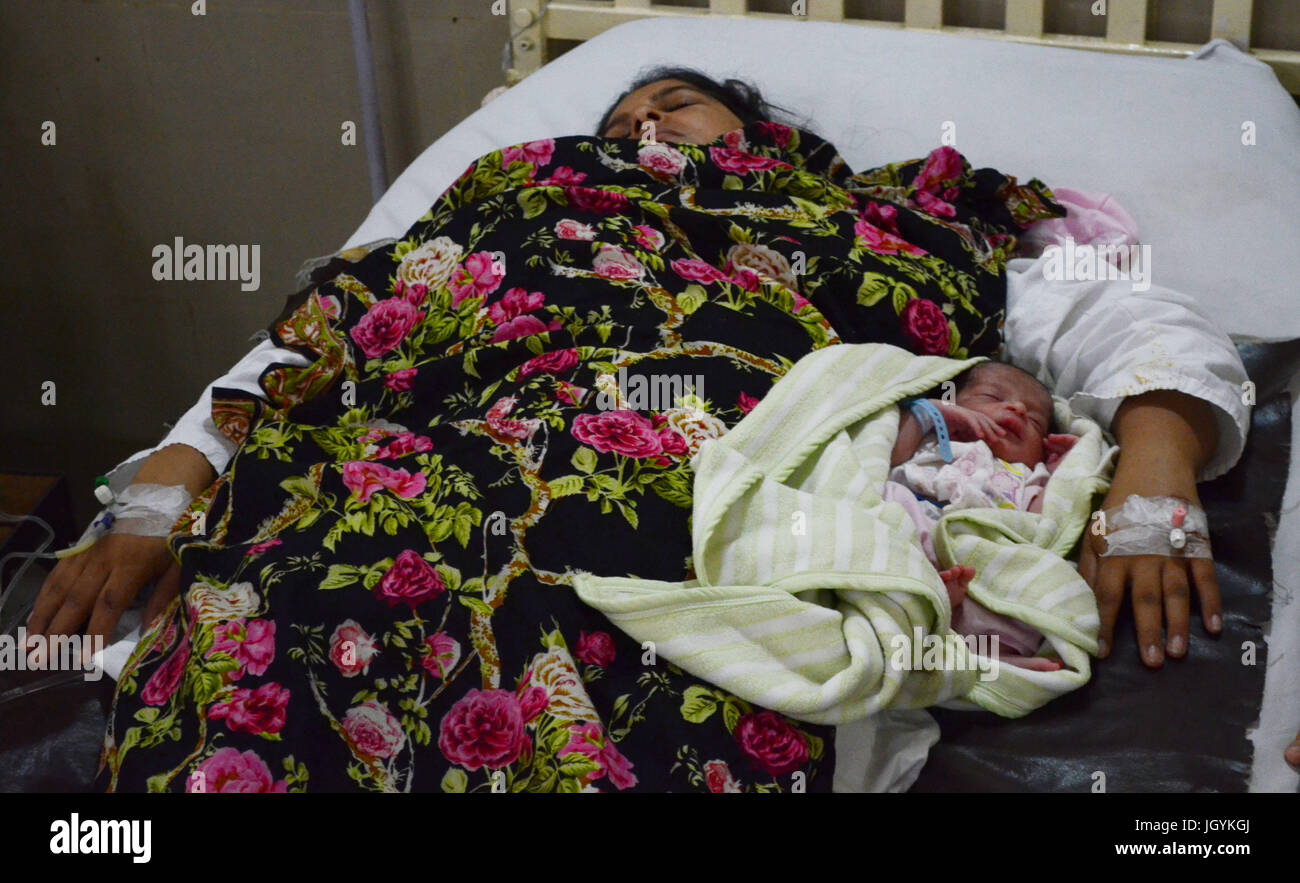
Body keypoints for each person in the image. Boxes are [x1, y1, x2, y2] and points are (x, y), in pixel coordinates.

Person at [24, 68, 1267, 779]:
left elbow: (1125, 325)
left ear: (765, 136)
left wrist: (1151, 477)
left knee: (636, 627)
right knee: (290, 600)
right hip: (445, 427)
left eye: (676, 105)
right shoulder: (515, 196)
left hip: (719, 438)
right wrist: (162, 490)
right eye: (621, 121)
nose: (644, 131)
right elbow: (310, 350)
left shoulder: (885, 220)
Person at [886, 359, 1083, 671]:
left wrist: (1068, 470)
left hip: (979, 565)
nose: (1017, 409)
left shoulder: (1026, 476)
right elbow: (886, 456)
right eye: (992, 397)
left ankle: (986, 659)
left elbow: (1041, 528)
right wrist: (931, 413)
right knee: (891, 503)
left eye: (1034, 421)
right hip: (913, 536)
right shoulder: (933, 441)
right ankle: (926, 600)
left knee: (1027, 593)